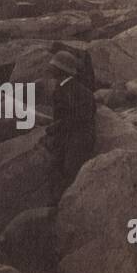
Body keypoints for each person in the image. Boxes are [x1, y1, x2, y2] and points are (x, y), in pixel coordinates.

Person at [44, 51, 96, 195]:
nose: (49, 68)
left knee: (70, 172)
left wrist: (56, 127)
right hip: (68, 137)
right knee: (57, 168)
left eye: (53, 66)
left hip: (80, 139)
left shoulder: (78, 91)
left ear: (61, 70)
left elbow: (82, 118)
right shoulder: (62, 89)